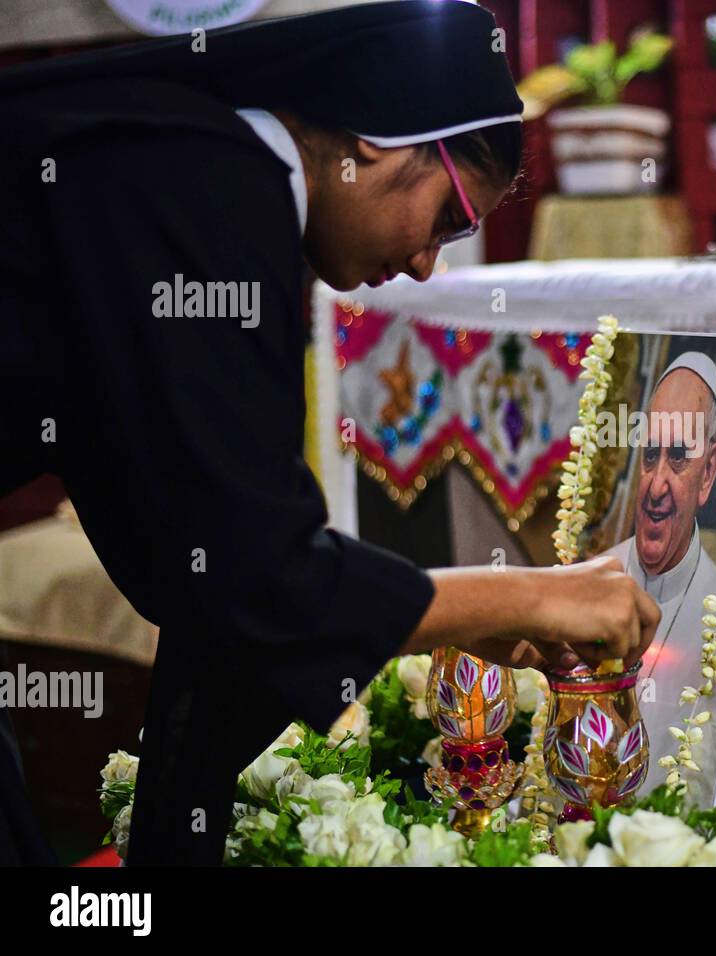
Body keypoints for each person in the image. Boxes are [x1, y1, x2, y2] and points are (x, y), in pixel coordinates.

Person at [0, 1, 657, 865]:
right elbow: (256, 569)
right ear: (385, 141)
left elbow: (197, 569)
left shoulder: (212, 180)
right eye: (452, 217)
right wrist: (531, 595)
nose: (428, 264)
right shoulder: (210, 185)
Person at [601, 353, 716, 795]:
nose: (655, 486)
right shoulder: (590, 583)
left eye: (677, 458)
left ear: (709, 471)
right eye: (649, 455)